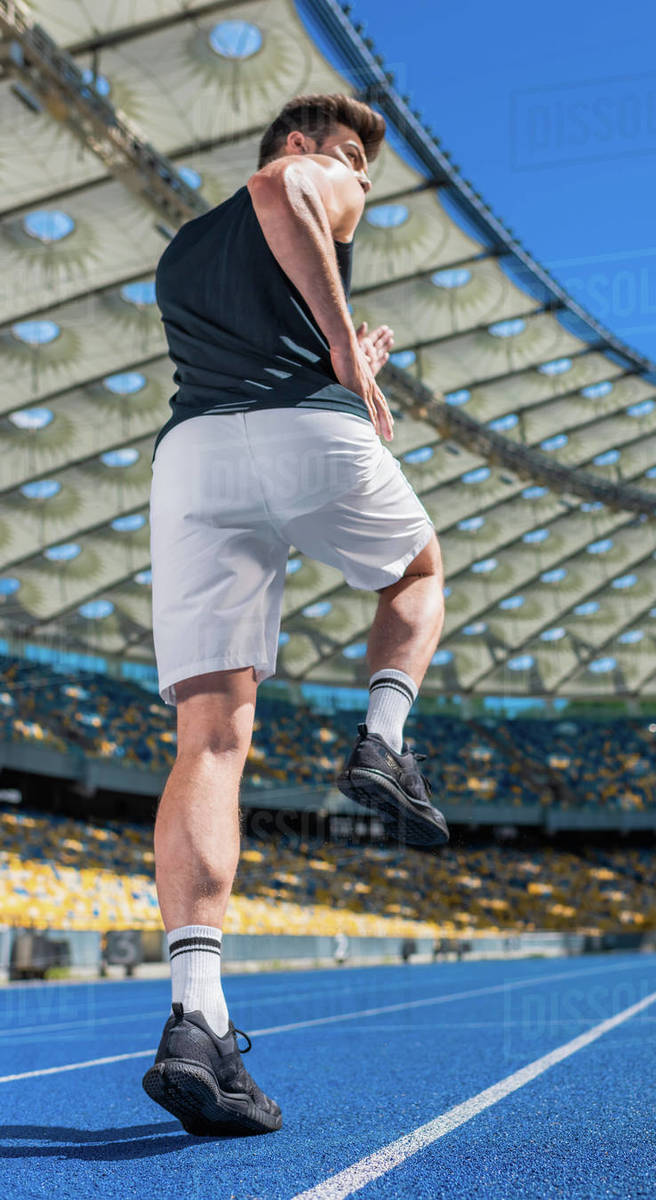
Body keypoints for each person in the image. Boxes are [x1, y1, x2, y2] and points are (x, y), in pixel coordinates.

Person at [141, 93, 449, 1137]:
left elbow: (261, 267)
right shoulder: (301, 174)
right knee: (417, 574)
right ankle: (384, 742)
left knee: (211, 743)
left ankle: (197, 1018)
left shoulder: (188, 249)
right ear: (315, 148)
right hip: (301, 431)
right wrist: (350, 363)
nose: (362, 184)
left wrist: (338, 342)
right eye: (359, 164)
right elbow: (283, 191)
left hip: (192, 462)